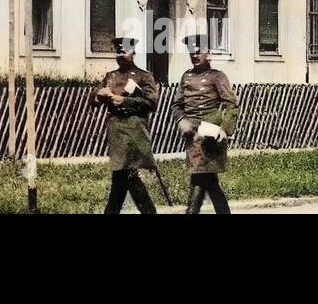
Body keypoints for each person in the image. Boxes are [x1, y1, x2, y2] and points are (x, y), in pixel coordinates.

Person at [90, 36, 161, 214]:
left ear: (134, 52)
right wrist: (100, 94)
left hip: (134, 132)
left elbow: (151, 103)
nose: (121, 55)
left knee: (123, 177)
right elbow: (93, 100)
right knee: (123, 178)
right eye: (118, 51)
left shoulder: (144, 76)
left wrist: (124, 101)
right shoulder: (110, 76)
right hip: (116, 133)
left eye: (125, 51)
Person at [170, 34, 240, 214]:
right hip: (193, 137)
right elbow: (176, 105)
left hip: (211, 136)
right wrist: (182, 119)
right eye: (191, 52)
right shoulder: (186, 76)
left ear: (208, 54)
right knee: (209, 183)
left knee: (200, 180)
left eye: (199, 51)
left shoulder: (217, 76)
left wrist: (225, 129)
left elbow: (231, 104)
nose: (195, 55)